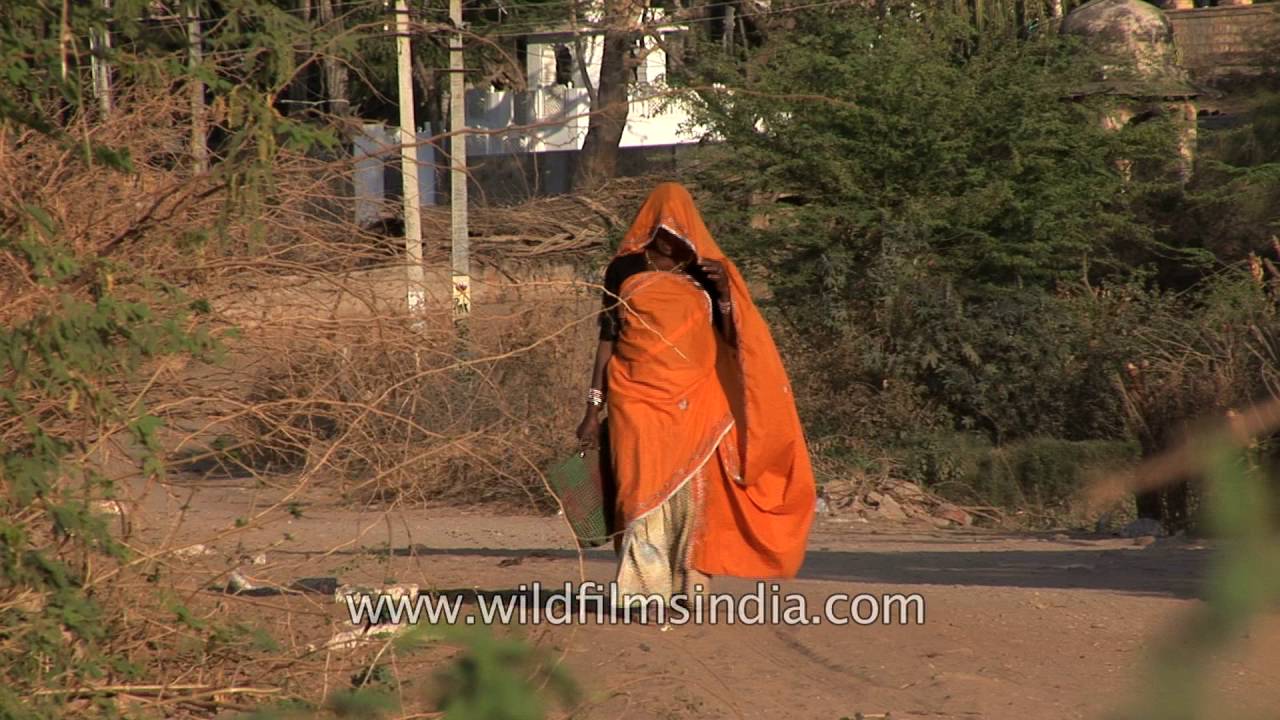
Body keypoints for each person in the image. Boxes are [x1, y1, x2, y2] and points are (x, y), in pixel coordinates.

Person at [576, 182, 815, 606]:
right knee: (639, 490)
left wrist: (725, 295)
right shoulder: (624, 269)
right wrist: (594, 407)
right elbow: (608, 338)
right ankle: (645, 594)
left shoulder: (707, 270)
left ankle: (693, 585)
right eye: (661, 221)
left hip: (698, 398)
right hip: (635, 398)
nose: (669, 230)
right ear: (649, 222)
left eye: (678, 220)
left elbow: (733, 338)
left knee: (694, 493)